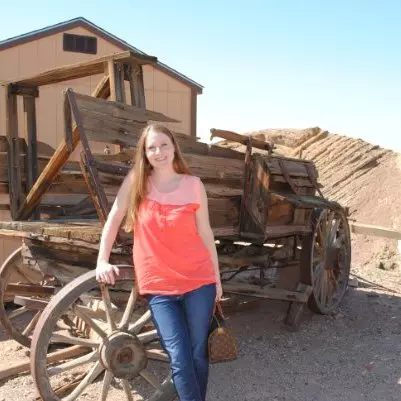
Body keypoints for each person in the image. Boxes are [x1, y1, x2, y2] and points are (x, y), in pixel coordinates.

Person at [95, 123, 223, 401]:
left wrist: (217, 279)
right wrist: (101, 260)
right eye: (151, 147)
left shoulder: (192, 185)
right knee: (179, 356)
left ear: (174, 146)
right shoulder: (137, 181)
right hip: (160, 285)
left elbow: (205, 233)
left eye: (164, 145)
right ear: (144, 153)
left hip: (198, 280)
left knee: (198, 353)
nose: (158, 151)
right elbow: (115, 218)